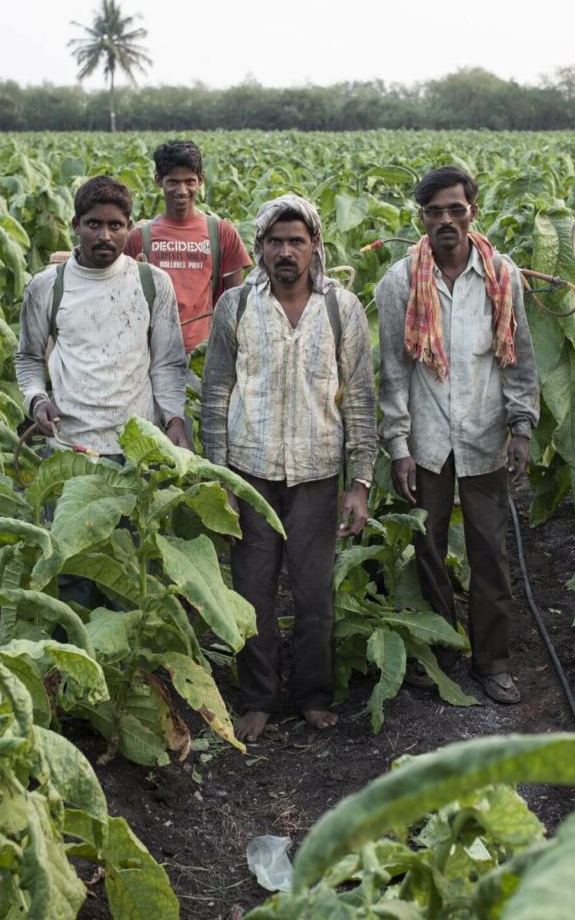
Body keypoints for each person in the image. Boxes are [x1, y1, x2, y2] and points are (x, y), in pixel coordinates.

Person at [201, 194, 377, 742]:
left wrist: (362, 482)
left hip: (317, 473)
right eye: (275, 241)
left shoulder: (340, 307)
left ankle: (312, 695)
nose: (285, 251)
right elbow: (215, 393)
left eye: (296, 241)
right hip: (249, 471)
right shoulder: (236, 305)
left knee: (313, 592)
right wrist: (219, 478)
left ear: (315, 246)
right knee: (252, 593)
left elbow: (360, 400)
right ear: (260, 248)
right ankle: (258, 699)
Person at [376, 166, 540, 705]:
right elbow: (396, 371)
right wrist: (397, 446)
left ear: (473, 210)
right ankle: (441, 650)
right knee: (429, 546)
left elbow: (516, 358)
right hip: (427, 439)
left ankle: (492, 661)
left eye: (456, 209)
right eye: (434, 211)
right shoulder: (400, 281)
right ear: (420, 217)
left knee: (490, 552)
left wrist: (522, 425)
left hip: (484, 434)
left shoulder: (500, 273)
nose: (446, 220)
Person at [16, 175, 190, 458]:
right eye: (94, 224)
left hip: (139, 448)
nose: (105, 236)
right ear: (76, 225)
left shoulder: (153, 283)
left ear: (129, 229)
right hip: (70, 447)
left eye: (115, 225)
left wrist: (174, 419)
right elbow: (28, 357)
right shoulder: (46, 285)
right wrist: (37, 400)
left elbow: (167, 363)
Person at [125, 139, 252, 353]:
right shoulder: (139, 238)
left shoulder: (222, 234)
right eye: (173, 182)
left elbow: (235, 304)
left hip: (204, 353)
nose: (182, 190)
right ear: (158, 180)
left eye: (189, 181)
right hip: (152, 354)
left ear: (201, 180)